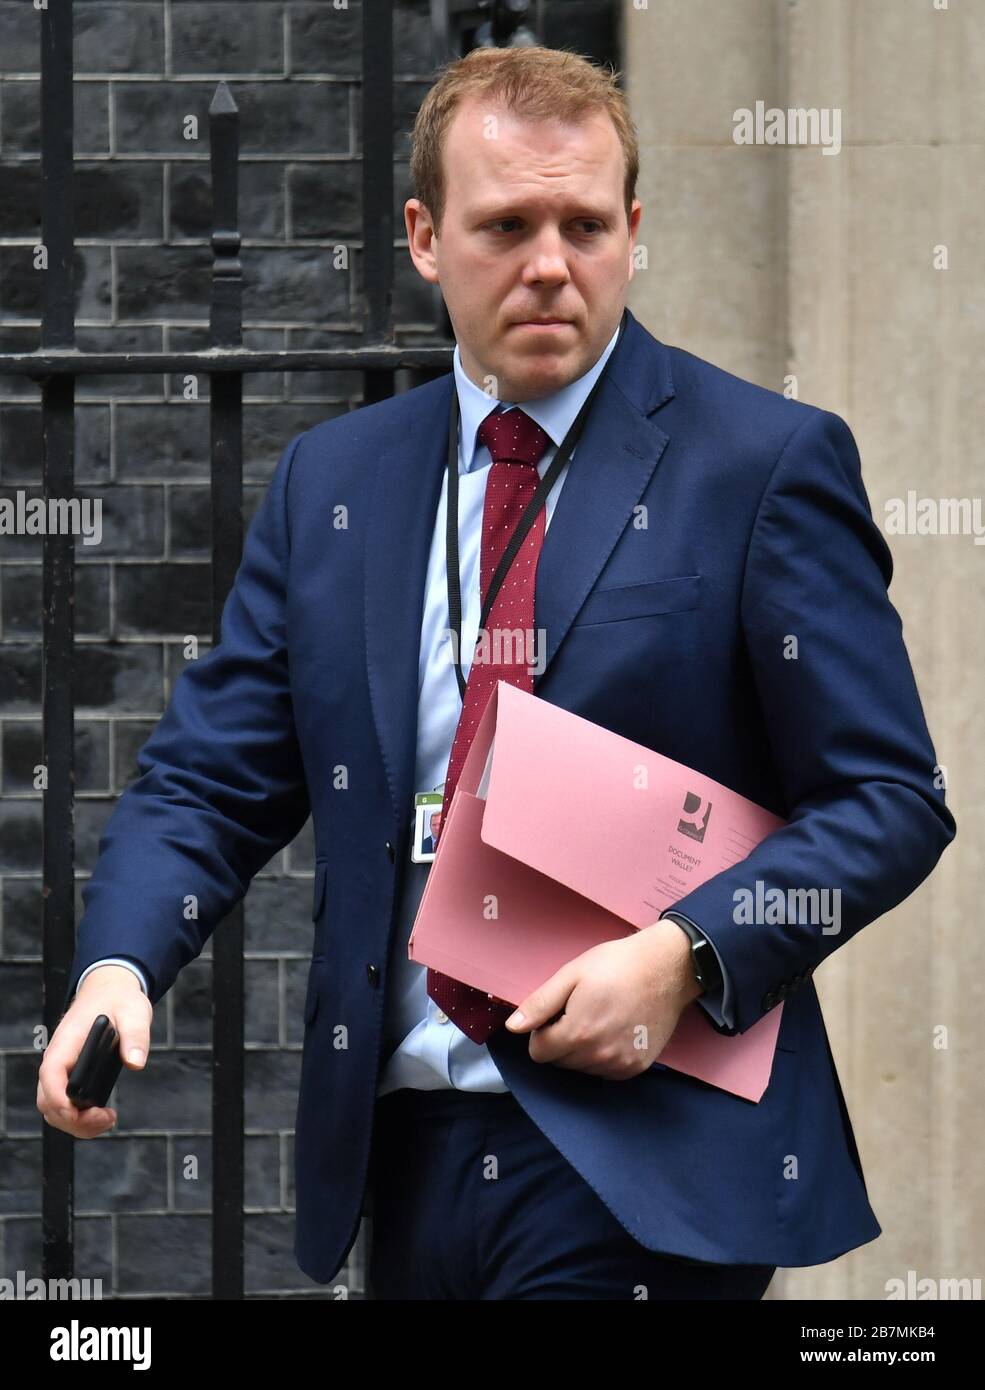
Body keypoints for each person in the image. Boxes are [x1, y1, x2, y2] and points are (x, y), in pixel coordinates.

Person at [38, 45, 955, 1300]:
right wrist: (116, 969)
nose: (548, 263)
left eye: (585, 224)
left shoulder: (766, 462)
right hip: (403, 1158)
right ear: (423, 236)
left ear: (633, 230)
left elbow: (889, 799)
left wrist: (687, 953)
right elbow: (208, 779)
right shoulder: (336, 484)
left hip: (642, 1168)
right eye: (505, 224)